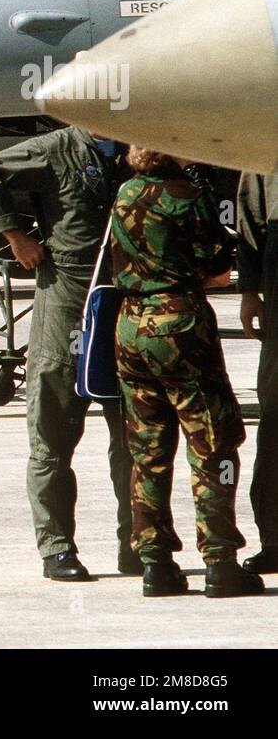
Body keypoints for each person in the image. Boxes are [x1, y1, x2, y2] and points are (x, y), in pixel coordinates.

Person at [0, 126, 137, 580]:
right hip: (67, 304)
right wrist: (14, 236)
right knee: (52, 441)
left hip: (125, 304)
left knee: (136, 442)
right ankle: (57, 548)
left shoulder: (137, 146)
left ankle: (138, 543)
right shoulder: (54, 150)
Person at [111, 147, 263, 598]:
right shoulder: (185, 193)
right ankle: (220, 561)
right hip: (179, 321)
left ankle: (155, 564)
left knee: (147, 448)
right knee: (212, 440)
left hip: (131, 324)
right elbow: (216, 265)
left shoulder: (125, 192)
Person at [238, 172, 278, 574]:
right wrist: (250, 290)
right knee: (275, 419)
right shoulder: (265, 135)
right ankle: (275, 539)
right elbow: (251, 217)